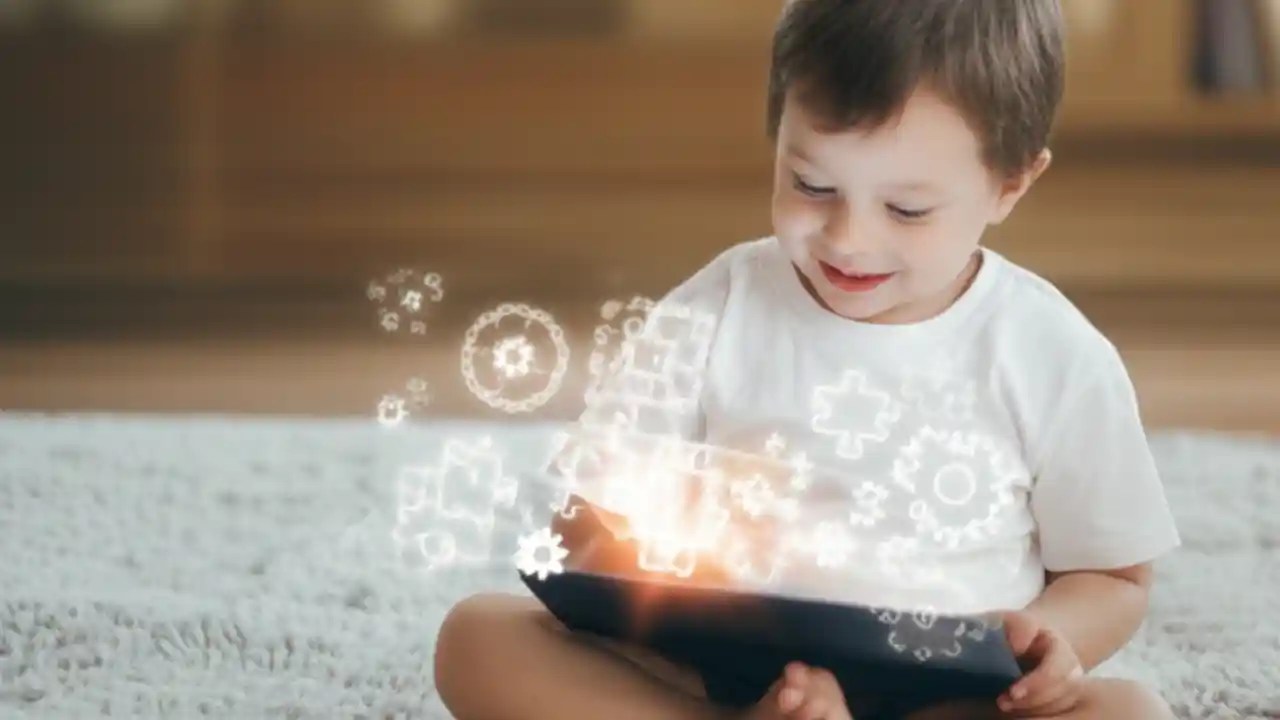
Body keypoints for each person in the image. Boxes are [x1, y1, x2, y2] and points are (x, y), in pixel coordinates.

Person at [433, 1, 1181, 718]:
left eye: (907, 210)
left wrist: (1053, 640)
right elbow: (595, 506)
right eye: (811, 185)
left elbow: (1113, 574)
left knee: (1133, 711)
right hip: (718, 671)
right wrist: (628, 545)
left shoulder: (1053, 353)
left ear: (1010, 184)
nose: (847, 238)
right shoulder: (719, 306)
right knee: (477, 638)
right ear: (778, 135)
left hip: (954, 692)